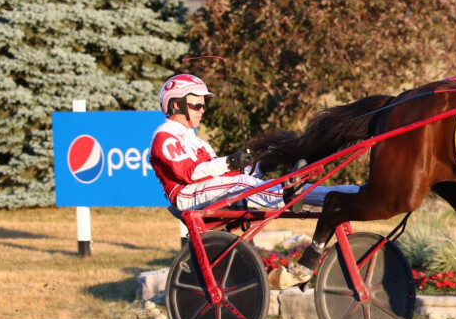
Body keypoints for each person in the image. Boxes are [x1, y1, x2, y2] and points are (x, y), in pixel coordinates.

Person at [149, 73, 357, 288]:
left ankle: (345, 194)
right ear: (175, 105)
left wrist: (261, 167)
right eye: (196, 105)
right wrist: (230, 161)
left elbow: (224, 176)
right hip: (188, 196)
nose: (202, 110)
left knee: (258, 183)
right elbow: (191, 173)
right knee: (244, 185)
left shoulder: (194, 139)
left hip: (208, 190)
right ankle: (287, 194)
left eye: (203, 105)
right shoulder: (165, 136)